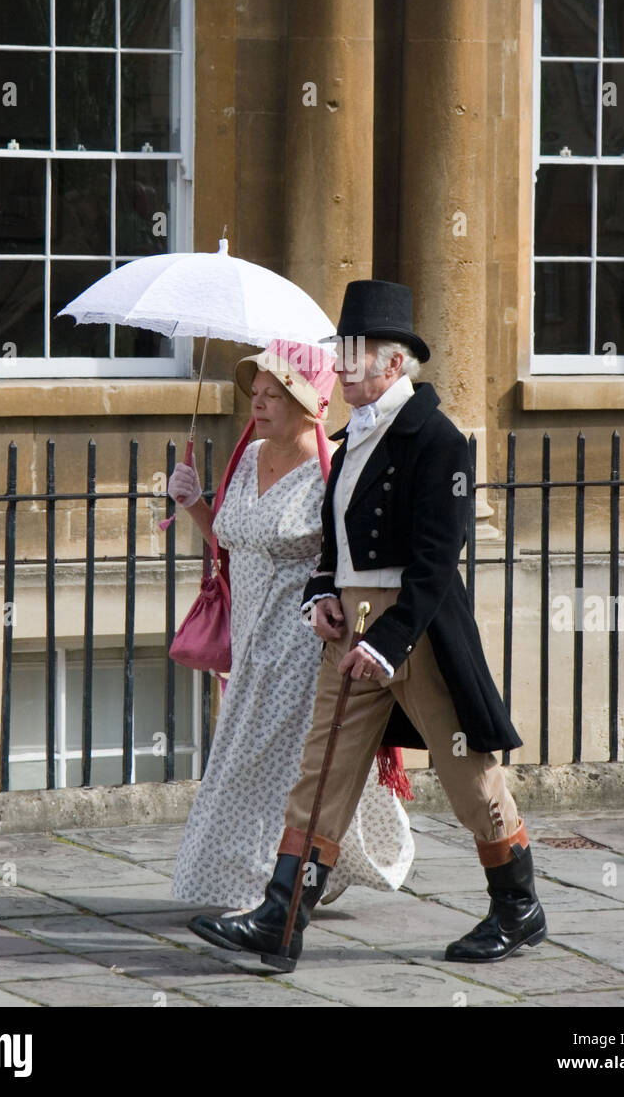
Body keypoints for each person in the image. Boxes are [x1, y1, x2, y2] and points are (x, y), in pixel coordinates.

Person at [189, 281, 547, 970]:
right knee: (320, 769)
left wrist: (388, 642)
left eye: (351, 357)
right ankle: (281, 917)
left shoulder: (435, 438)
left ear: (391, 364)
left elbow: (438, 560)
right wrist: (318, 593)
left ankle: (516, 908)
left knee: (466, 774)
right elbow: (333, 538)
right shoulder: (350, 435)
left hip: (415, 630)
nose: (340, 368)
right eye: (340, 355)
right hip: (346, 627)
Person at [168, 337, 415, 911]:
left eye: (273, 394)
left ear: (309, 404)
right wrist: (194, 503)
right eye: (255, 392)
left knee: (266, 768)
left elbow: (355, 565)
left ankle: (264, 887)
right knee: (264, 764)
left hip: (301, 646)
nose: (258, 403)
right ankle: (300, 875)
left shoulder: (333, 474)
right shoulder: (248, 457)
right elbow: (234, 546)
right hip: (247, 642)